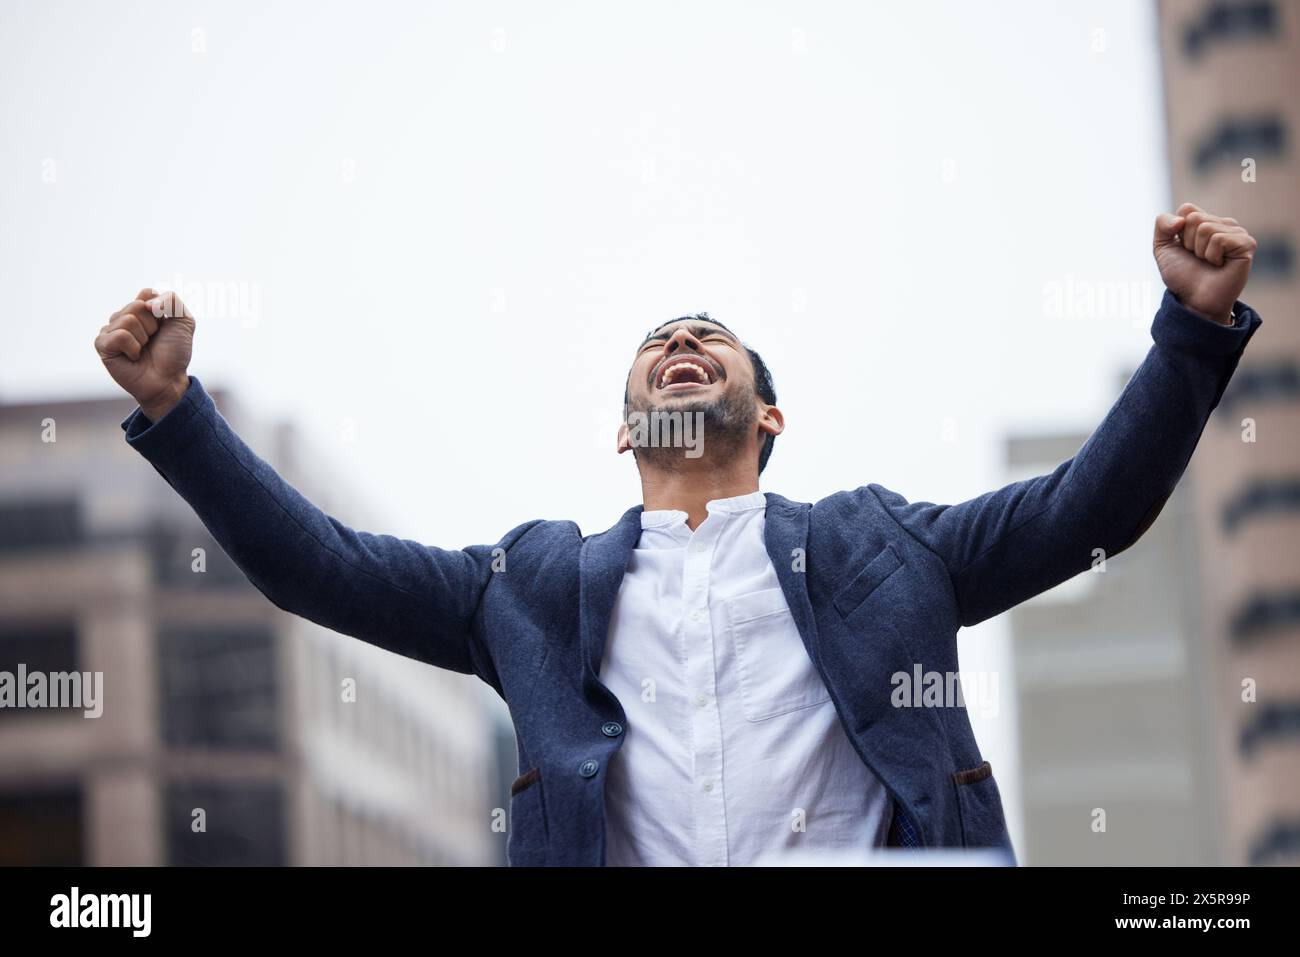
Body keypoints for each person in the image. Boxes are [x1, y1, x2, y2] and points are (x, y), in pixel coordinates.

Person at [94, 203, 1262, 866]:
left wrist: (1190, 331)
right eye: (656, 343)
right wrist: (176, 413)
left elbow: (1086, 512)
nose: (679, 341)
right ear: (622, 431)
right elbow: (318, 568)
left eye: (707, 335)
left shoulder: (882, 546)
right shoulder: (529, 585)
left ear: (768, 417)